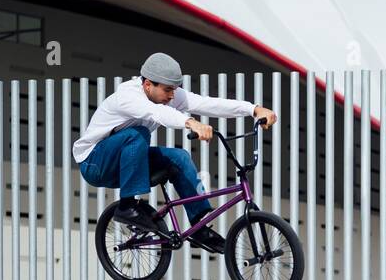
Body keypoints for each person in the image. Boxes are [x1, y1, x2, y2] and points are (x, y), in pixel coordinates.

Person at [72, 52, 277, 254]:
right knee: (137, 134)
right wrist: (190, 122)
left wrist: (253, 109)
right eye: (168, 90)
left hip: (126, 160)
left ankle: (200, 226)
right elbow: (157, 113)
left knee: (180, 157)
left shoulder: (167, 95)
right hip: (95, 163)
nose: (172, 96)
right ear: (147, 84)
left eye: (174, 90)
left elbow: (206, 103)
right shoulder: (127, 96)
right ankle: (126, 207)